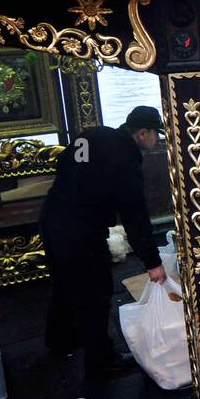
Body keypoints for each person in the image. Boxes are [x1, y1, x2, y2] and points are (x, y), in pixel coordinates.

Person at [41, 106, 167, 371]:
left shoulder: (94, 134)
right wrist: (152, 262)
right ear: (143, 133)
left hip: (52, 217)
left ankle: (59, 339)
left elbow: (64, 165)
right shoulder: (126, 159)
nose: (158, 140)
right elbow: (135, 216)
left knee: (64, 283)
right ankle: (102, 362)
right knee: (94, 293)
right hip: (81, 232)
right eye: (157, 134)